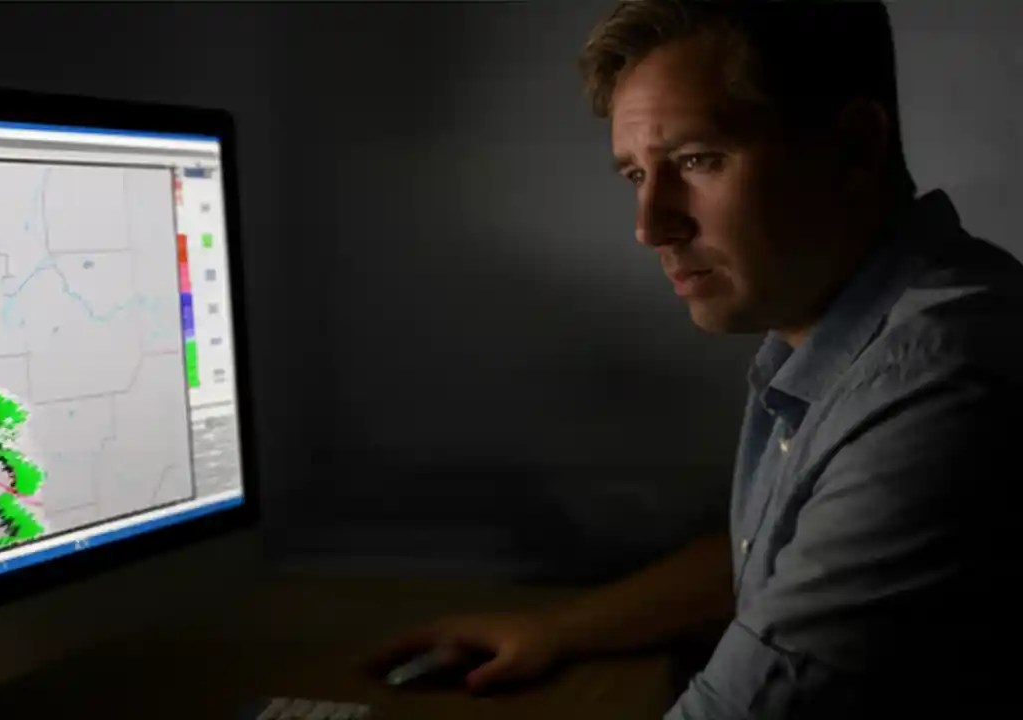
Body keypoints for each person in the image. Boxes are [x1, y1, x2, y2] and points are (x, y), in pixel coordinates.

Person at [368, 1, 1022, 717]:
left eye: (696, 160)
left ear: (854, 150)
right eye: (635, 175)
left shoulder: (938, 380)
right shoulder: (836, 333)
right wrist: (559, 630)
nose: (651, 226)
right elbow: (787, 556)